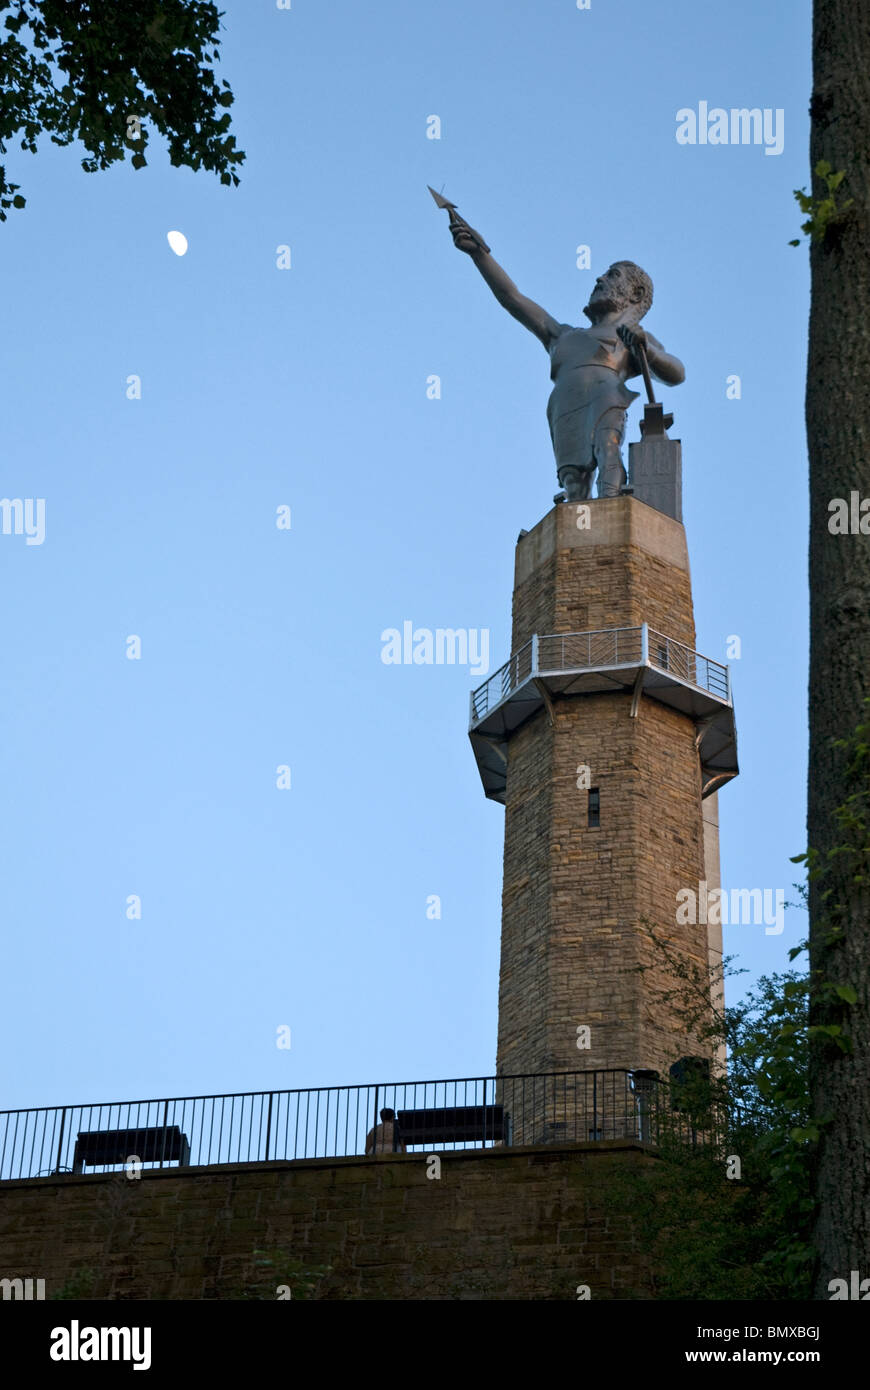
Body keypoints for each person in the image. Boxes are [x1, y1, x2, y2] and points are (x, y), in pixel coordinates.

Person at [451, 227, 685, 502]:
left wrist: (645, 348)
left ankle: (612, 508)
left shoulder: (629, 336)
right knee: (573, 479)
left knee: (608, 452)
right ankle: (580, 529)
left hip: (606, 398)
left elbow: (676, 373)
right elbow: (513, 299)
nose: (600, 278)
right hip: (564, 405)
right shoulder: (562, 335)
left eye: (613, 275)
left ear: (636, 294)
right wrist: (480, 254)